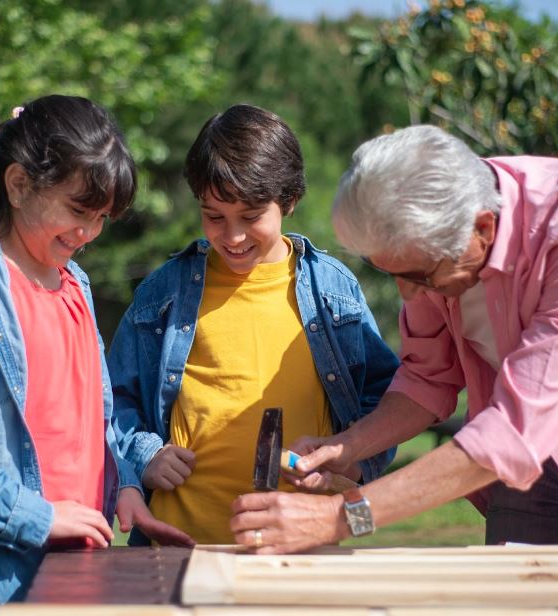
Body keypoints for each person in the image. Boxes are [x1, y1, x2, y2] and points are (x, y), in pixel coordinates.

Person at [229, 124, 558, 553]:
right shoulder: (429, 233)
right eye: (393, 276)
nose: (409, 292)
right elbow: (427, 379)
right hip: (533, 460)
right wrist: (346, 445)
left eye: (421, 277)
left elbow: (513, 434)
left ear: (484, 228)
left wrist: (340, 518)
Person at [0, 94, 193, 616]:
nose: (89, 233)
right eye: (79, 210)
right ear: (17, 185)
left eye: (102, 218)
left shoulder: (76, 283)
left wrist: (121, 483)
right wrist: (34, 516)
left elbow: (89, 417)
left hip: (77, 567)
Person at [107, 104, 399, 546]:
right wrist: (145, 455)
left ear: (289, 200)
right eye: (215, 217)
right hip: (178, 544)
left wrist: (356, 462)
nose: (233, 236)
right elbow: (114, 399)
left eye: (250, 216)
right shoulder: (162, 292)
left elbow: (388, 394)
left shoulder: (334, 289)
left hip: (301, 543)